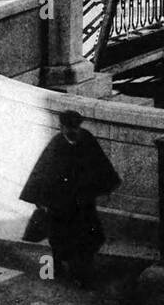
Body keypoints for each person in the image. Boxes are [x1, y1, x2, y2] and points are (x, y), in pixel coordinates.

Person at [19, 110, 121, 287]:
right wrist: (40, 200)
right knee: (60, 239)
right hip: (61, 204)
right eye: (69, 128)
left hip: (83, 201)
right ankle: (60, 269)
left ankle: (80, 272)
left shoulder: (87, 139)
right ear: (62, 127)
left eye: (75, 127)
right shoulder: (57, 144)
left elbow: (100, 165)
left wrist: (104, 189)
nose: (73, 132)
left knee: (90, 237)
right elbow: (43, 171)